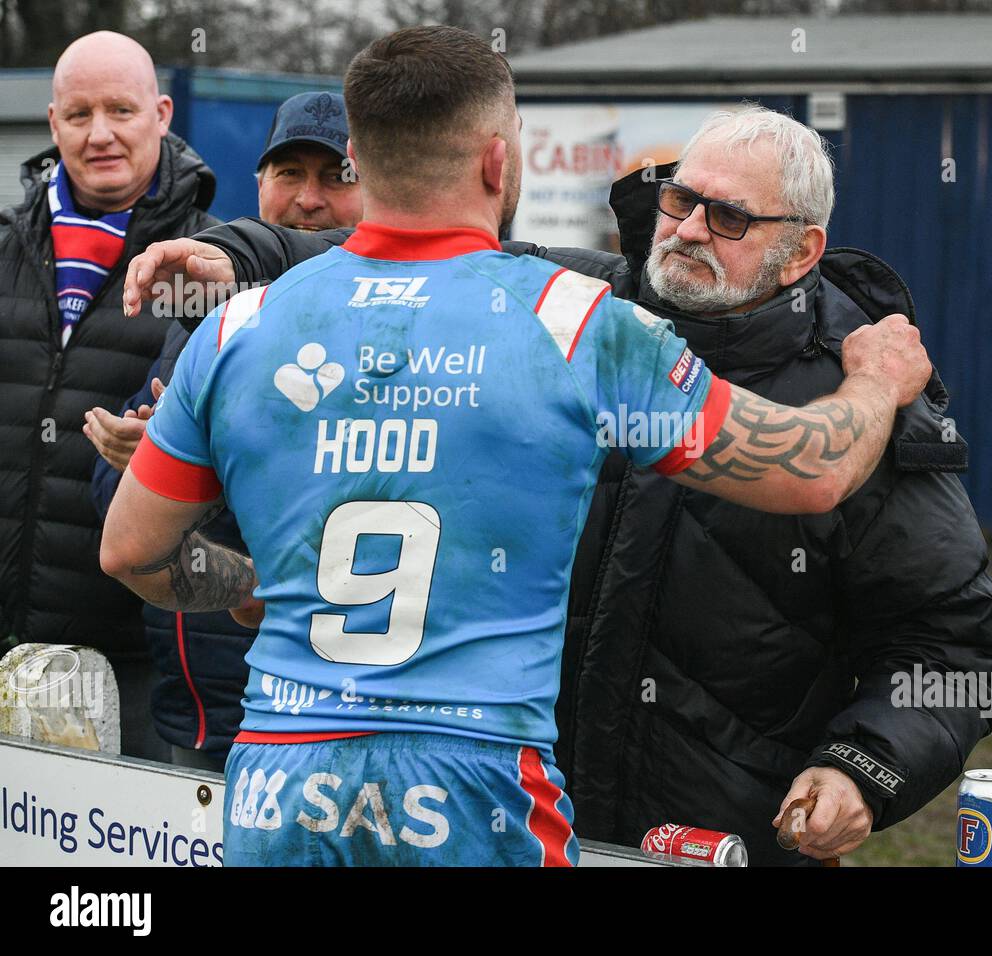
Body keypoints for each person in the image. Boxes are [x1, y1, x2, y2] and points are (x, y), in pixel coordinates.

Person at [101, 25, 931, 867]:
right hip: (472, 797)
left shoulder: (241, 327)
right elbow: (816, 466)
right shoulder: (575, 325)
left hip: (278, 789)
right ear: (499, 163)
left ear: (357, 157)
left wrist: (255, 590)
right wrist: (875, 380)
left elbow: (132, 551)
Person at [87, 92, 361, 771]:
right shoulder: (209, 315)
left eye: (336, 176)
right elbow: (111, 509)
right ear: (259, 182)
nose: (308, 199)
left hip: (315, 711)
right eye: (289, 173)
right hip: (193, 709)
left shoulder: (389, 329)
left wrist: (194, 471)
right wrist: (138, 458)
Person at [0, 31, 220, 761]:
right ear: (53, 123)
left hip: (134, 658)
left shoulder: (209, 261)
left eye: (121, 111)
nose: (100, 135)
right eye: (79, 114)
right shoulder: (3, 248)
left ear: (161, 113)